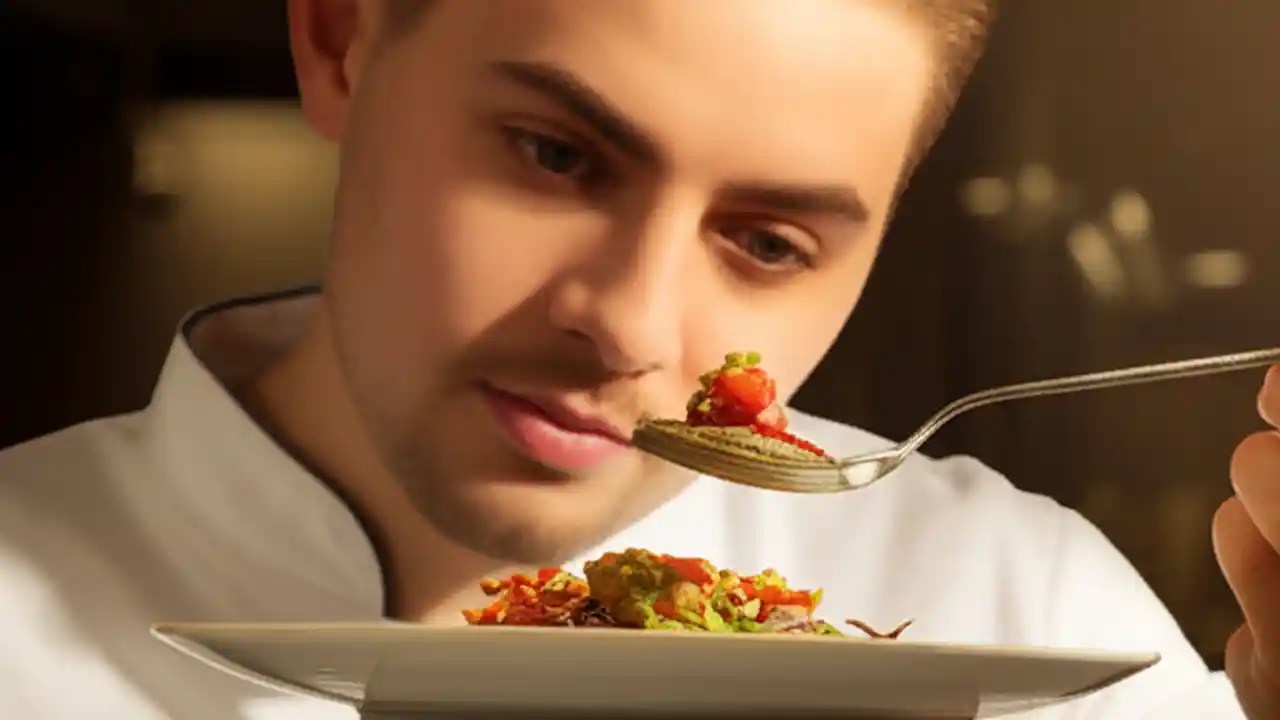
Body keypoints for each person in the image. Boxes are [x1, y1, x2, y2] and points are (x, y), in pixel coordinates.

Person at [0, 1, 1276, 717]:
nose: (630, 325)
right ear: (341, 39)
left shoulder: (1021, 603)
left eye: (769, 241)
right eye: (554, 157)